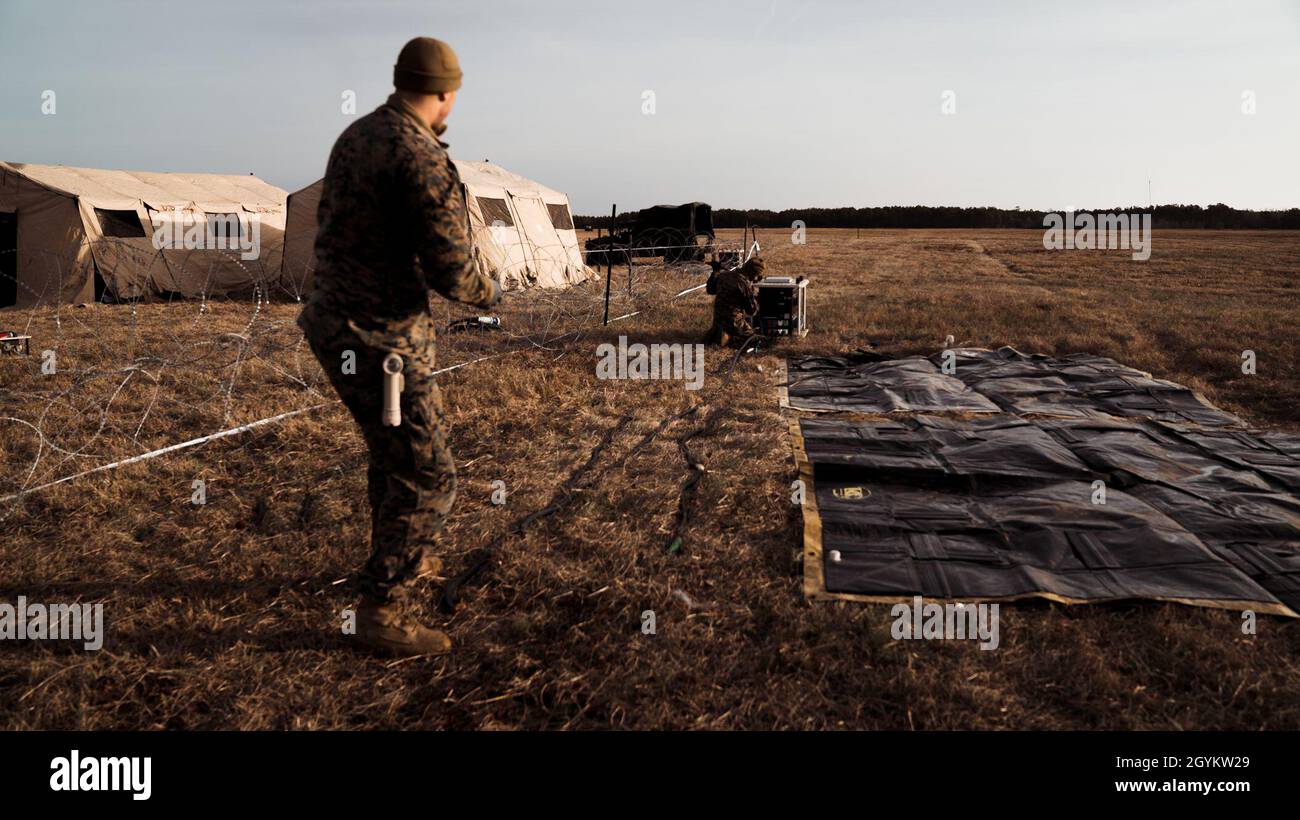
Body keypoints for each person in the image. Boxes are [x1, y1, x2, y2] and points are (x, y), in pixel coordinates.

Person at [297, 37, 500, 656]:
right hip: (381, 337)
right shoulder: (419, 155)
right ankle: (382, 608)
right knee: (426, 470)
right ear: (446, 93)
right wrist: (488, 289)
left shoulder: (357, 137)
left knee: (391, 454)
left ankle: (408, 555)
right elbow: (450, 268)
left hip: (336, 322)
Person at [705, 255, 765, 347]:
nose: (757, 279)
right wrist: (756, 296)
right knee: (755, 339)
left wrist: (715, 271)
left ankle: (718, 332)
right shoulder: (744, 284)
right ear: (752, 273)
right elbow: (752, 311)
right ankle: (729, 338)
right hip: (734, 323)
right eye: (757, 276)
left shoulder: (724, 276)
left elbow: (710, 290)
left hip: (718, 320)